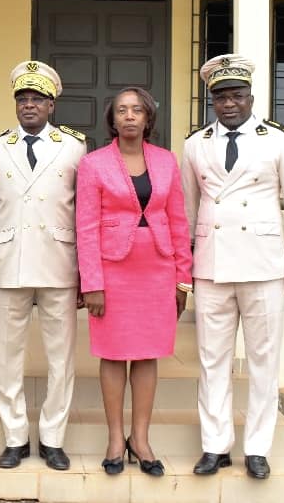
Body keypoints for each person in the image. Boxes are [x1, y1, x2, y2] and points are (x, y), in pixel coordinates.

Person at [182, 54, 284, 480]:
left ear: (251, 96)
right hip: (213, 264)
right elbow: (187, 208)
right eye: (220, 97)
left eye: (236, 95)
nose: (229, 104)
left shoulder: (278, 140)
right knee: (211, 359)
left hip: (264, 265)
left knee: (263, 358)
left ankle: (257, 448)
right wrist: (186, 268)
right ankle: (215, 445)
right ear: (212, 101)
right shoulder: (195, 143)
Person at [75, 87, 192, 477]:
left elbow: (178, 221)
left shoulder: (166, 161)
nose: (129, 116)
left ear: (147, 118)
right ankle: (114, 437)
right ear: (112, 118)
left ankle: (140, 440)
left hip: (157, 269)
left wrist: (183, 278)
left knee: (146, 354)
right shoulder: (93, 164)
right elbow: (86, 228)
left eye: (136, 110)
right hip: (111, 271)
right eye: (122, 110)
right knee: (112, 354)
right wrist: (91, 282)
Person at [0, 60, 87, 471]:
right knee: (8, 356)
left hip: (60, 263)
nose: (29, 105)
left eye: (37, 98)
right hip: (9, 264)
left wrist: (85, 273)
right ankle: (15, 437)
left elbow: (84, 212)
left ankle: (53, 438)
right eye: (22, 98)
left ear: (51, 103)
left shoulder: (75, 147)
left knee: (61, 358)